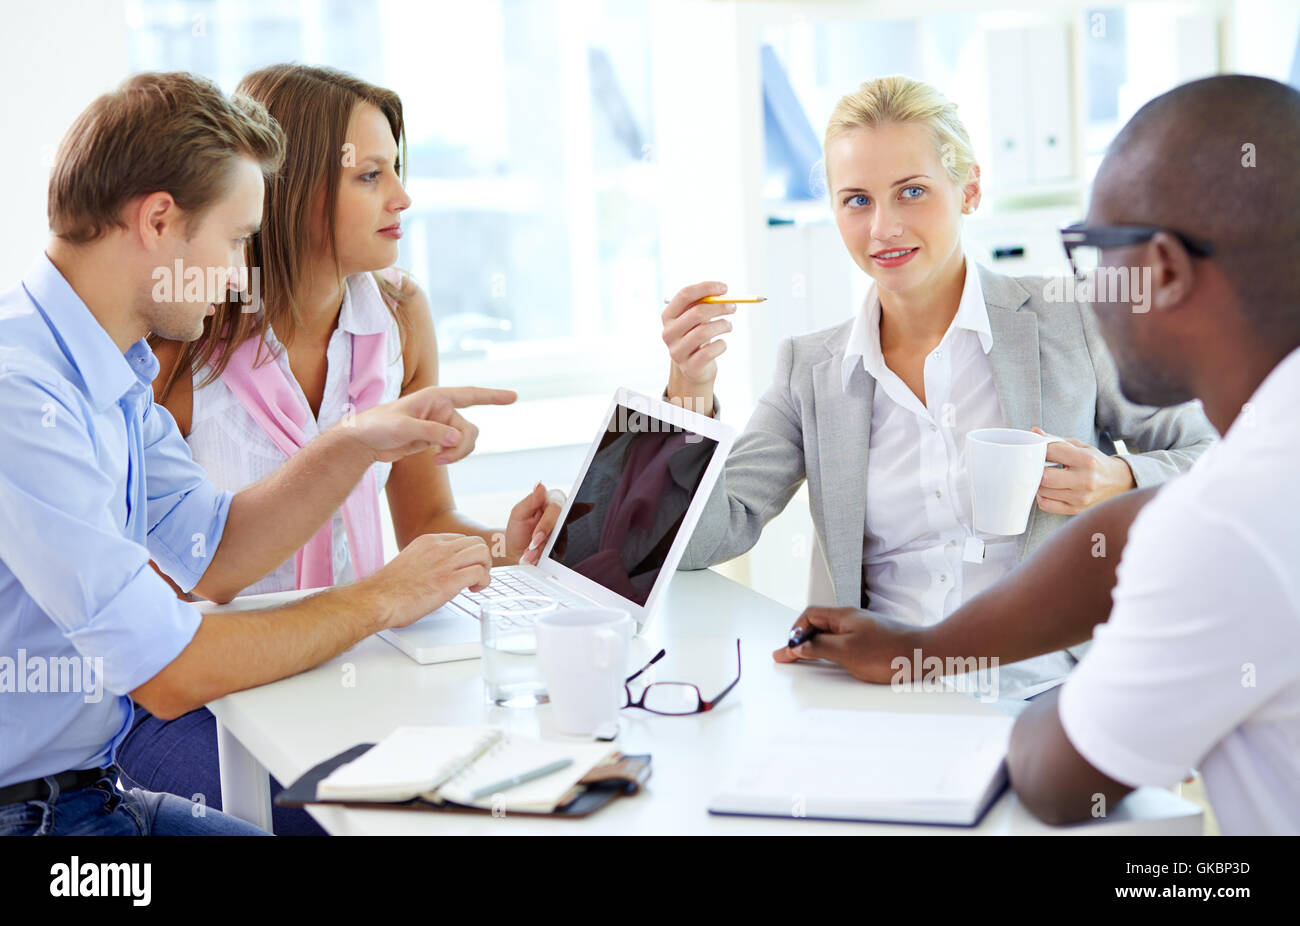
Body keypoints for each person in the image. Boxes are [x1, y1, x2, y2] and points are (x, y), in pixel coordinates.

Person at [773, 74, 1300, 836]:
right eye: (856, 198)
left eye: (1089, 253)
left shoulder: (1226, 530)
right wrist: (923, 650)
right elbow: (1168, 516)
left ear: (1160, 273)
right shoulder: (1256, 481)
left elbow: (1058, 778)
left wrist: (982, 699)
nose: (1080, 288)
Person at [0, 72, 510, 836]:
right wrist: (381, 598)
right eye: (237, 240)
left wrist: (350, 443)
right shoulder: (21, 393)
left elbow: (216, 553)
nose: (243, 273)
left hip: (90, 798)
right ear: (160, 221)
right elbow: (167, 671)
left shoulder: (113, 368)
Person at [662, 75, 1216, 699]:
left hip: (1049, 693)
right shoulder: (810, 369)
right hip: (882, 698)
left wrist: (1121, 480)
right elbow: (700, 541)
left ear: (970, 189)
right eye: (857, 200)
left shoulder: (1071, 319)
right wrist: (689, 387)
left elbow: (1218, 459)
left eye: (913, 191)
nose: (883, 228)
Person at [117, 65, 563, 835]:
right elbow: (167, 600)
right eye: (369, 176)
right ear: (286, 191)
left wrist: (500, 545)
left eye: (397, 170)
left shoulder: (398, 315)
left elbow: (425, 523)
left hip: (352, 661)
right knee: (335, 824)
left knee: (496, 797)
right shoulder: (183, 341)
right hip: (199, 698)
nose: (402, 198)